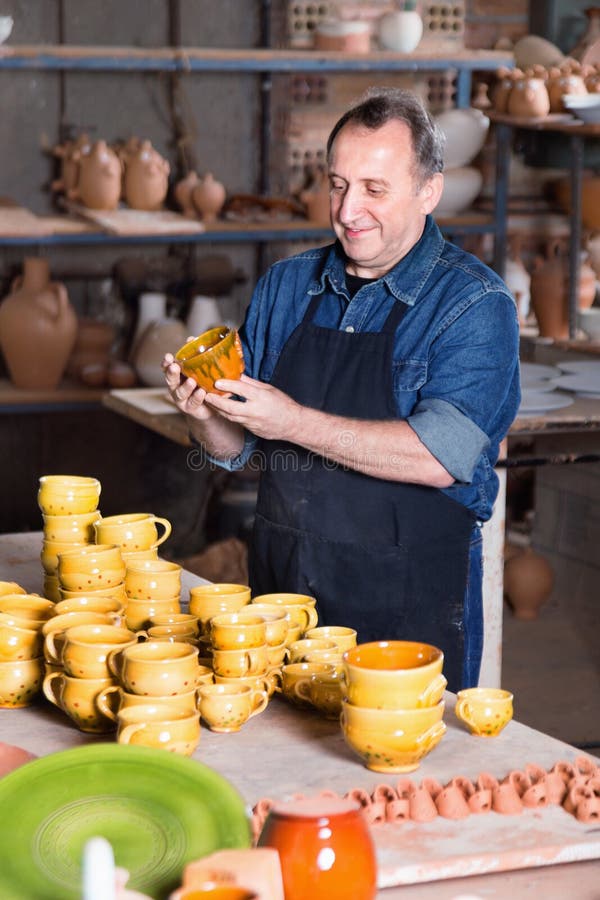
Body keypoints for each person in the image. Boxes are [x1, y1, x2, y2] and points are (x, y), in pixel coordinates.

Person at [163, 87, 520, 691]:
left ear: (428, 192)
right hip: (283, 595)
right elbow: (237, 450)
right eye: (338, 184)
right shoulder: (287, 285)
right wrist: (203, 411)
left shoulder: (473, 305)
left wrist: (292, 421)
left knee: (396, 783)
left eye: (375, 189)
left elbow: (440, 457)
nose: (349, 209)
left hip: (407, 610)